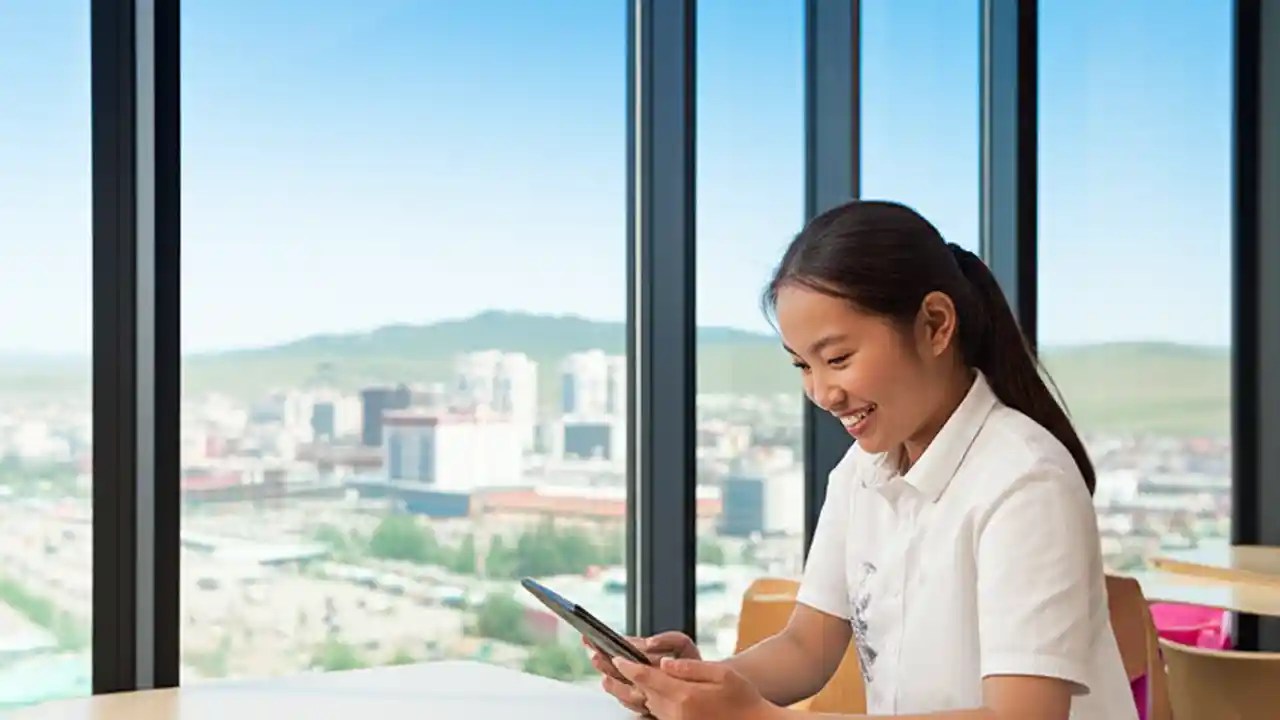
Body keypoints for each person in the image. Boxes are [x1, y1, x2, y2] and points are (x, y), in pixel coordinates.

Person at [585, 200, 1137, 720]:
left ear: (936, 325)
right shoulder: (860, 473)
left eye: (838, 358)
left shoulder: (1025, 481)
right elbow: (806, 648)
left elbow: (1023, 716)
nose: (823, 393)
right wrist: (691, 686)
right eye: (803, 365)